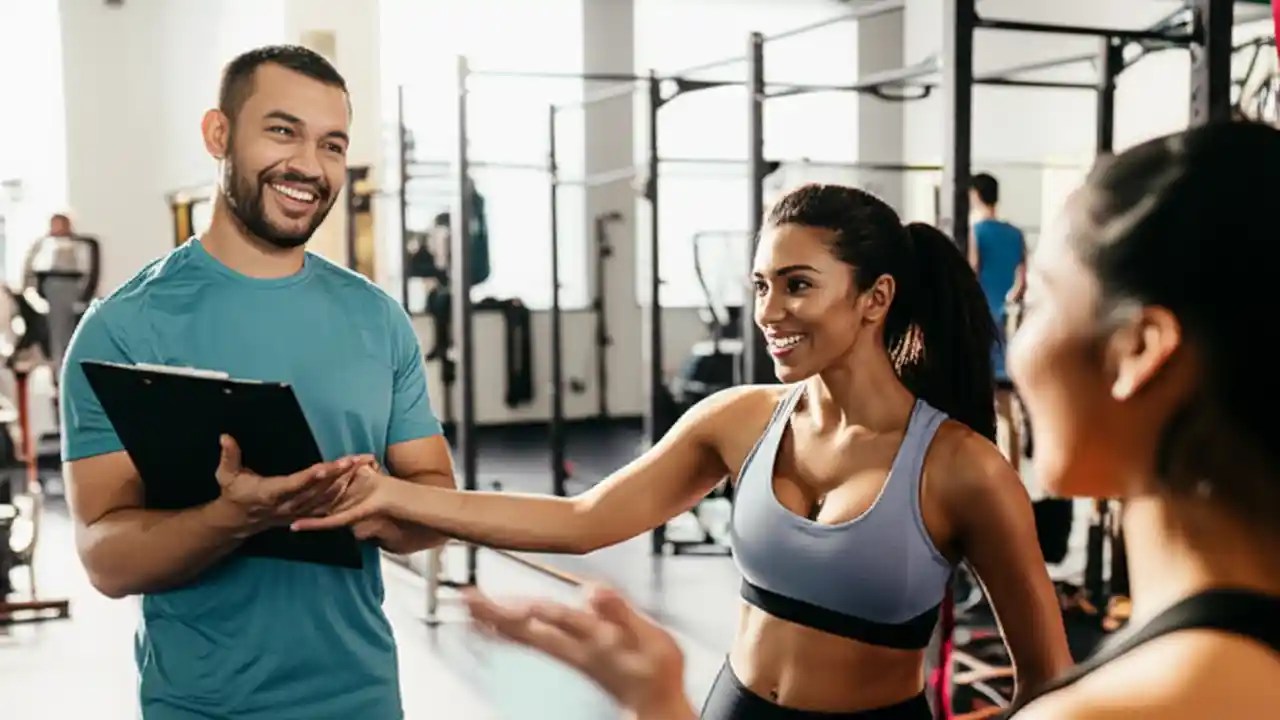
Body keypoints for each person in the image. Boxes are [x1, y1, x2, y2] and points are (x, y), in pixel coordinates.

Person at [460, 123, 1280, 720]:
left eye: (1039, 302)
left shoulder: (1120, 705)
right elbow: (585, 518)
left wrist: (656, 702)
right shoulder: (1223, 668)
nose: (1012, 339)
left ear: (1139, 349)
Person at [294, 183, 1073, 718]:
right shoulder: (739, 418)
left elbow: (1049, 683)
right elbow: (582, 518)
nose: (769, 311)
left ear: (875, 298)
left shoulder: (962, 467)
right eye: (761, 284)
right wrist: (394, 494)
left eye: (798, 285)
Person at [59, 45, 455, 720]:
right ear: (219, 135)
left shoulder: (377, 320)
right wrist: (235, 517)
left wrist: (373, 502)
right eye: (282, 131)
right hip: (201, 706)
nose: (309, 165)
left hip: (361, 700)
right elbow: (107, 559)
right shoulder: (123, 329)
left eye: (332, 144)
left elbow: (434, 500)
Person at [967, 173, 1027, 471]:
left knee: (978, 402)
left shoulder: (976, 232)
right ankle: (1013, 472)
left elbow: (972, 272)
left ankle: (986, 473)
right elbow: (1021, 281)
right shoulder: (1015, 234)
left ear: (976, 196)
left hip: (983, 323)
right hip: (1008, 324)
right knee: (1007, 409)